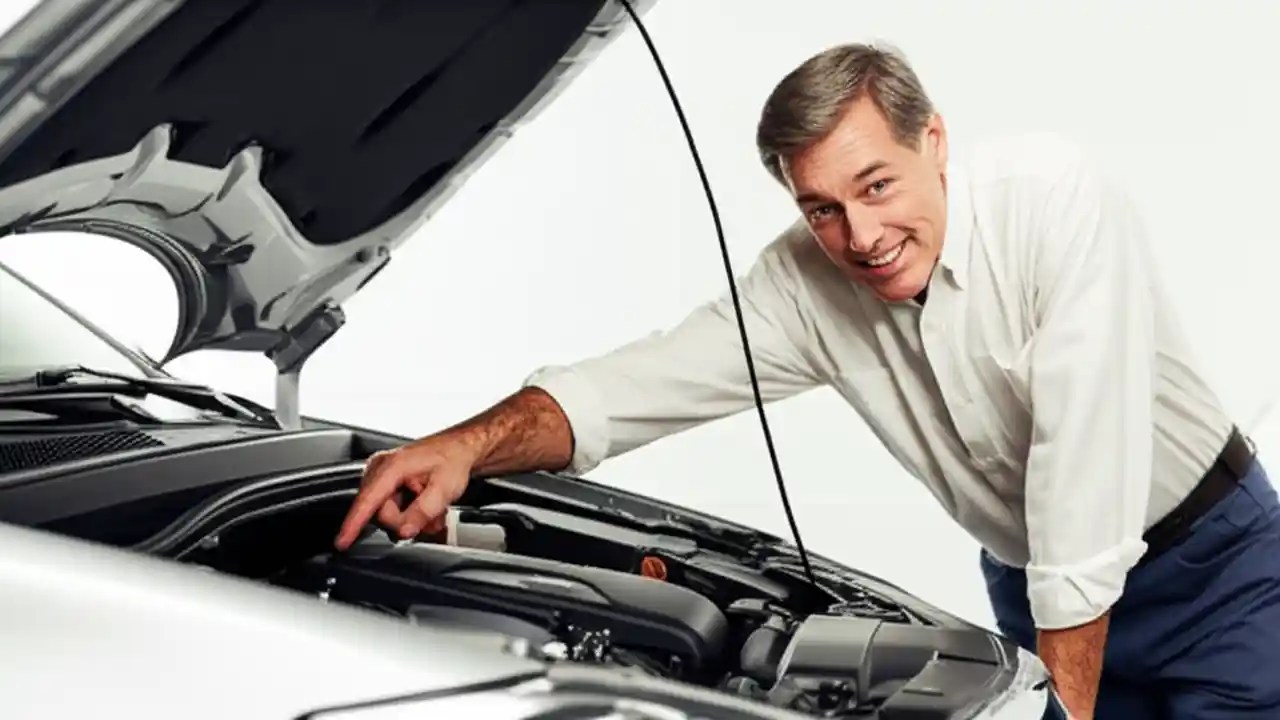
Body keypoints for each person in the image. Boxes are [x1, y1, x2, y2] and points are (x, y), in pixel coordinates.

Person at [333, 42, 1280, 719]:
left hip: (1217, 570)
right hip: (1031, 585)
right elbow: (630, 387)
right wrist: (463, 446)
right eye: (822, 207)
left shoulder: (1055, 200)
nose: (860, 238)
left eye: (876, 187)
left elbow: (1080, 479)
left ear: (937, 143)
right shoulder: (806, 278)